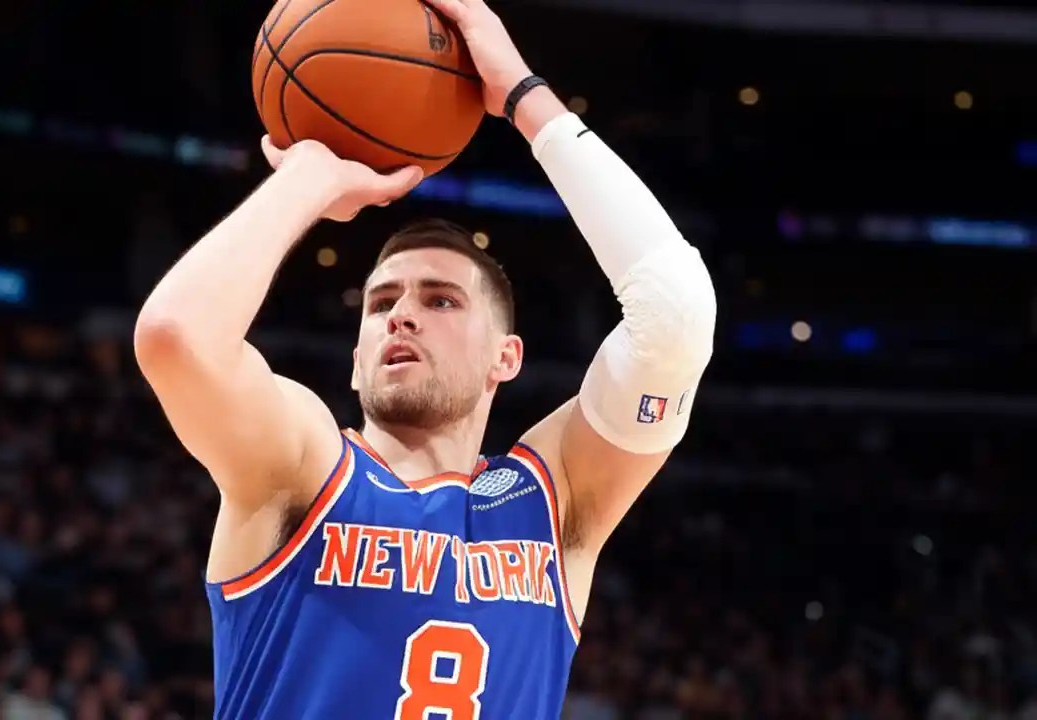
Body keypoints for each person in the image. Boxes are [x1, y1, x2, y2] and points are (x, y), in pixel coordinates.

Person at [134, 0, 717, 717]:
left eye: (441, 301)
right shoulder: (302, 470)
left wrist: (526, 99)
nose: (401, 313)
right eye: (381, 305)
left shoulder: (554, 498)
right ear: (355, 360)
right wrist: (308, 177)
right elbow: (176, 337)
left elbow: (677, 312)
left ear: (507, 358)